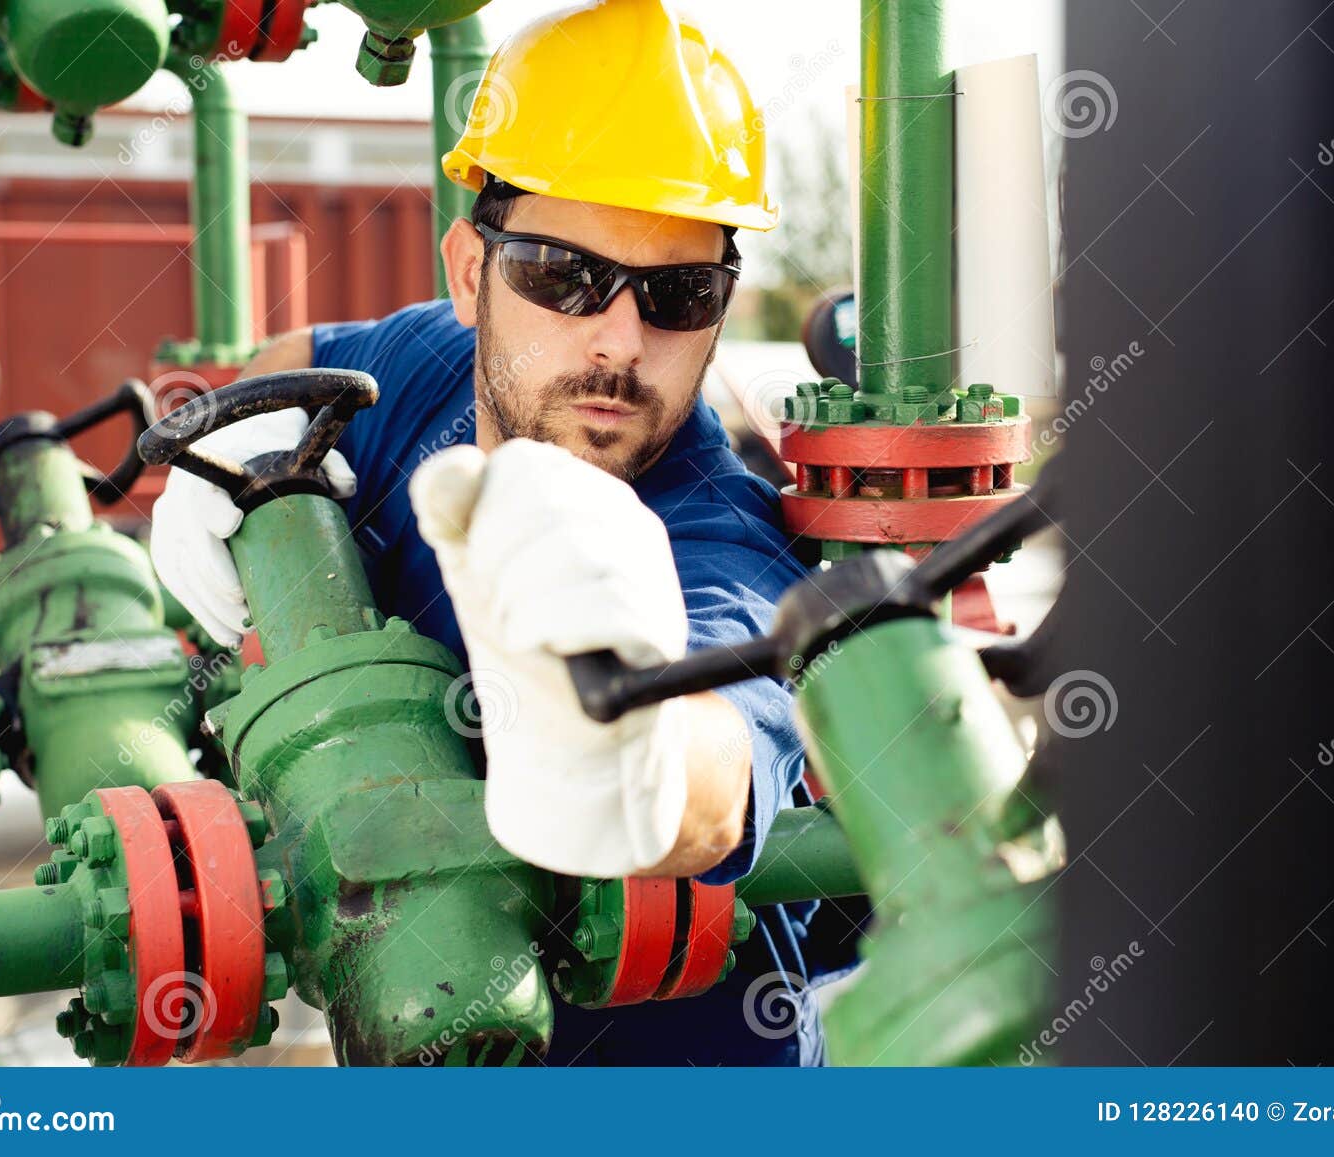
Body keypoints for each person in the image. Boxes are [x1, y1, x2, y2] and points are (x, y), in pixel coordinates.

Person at [149, 0, 849, 1065]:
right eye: (563, 277)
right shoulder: (428, 367)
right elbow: (295, 354)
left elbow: (708, 790)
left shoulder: (718, 540)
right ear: (471, 273)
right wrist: (229, 438)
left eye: (678, 294)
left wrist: (618, 727)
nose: (620, 341)